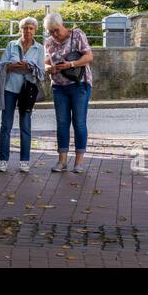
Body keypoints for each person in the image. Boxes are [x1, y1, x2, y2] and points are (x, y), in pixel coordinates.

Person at [43, 12, 94, 174]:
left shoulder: (77, 35)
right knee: (62, 123)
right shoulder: (49, 42)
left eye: (56, 30)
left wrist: (71, 64)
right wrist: (50, 68)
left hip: (79, 84)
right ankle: (62, 161)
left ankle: (79, 162)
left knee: (78, 122)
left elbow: (89, 56)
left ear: (62, 24)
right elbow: (45, 64)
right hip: (58, 86)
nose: (55, 34)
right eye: (51, 32)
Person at [0, 16, 46, 172]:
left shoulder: (40, 48)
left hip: (27, 91)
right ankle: (3, 160)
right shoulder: (11, 45)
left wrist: (30, 67)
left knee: (25, 126)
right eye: (25, 28)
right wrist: (12, 65)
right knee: (6, 126)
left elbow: (42, 73)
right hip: (10, 89)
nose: (28, 31)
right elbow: (1, 66)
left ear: (35, 30)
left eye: (31, 28)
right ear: (20, 30)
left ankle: (25, 161)